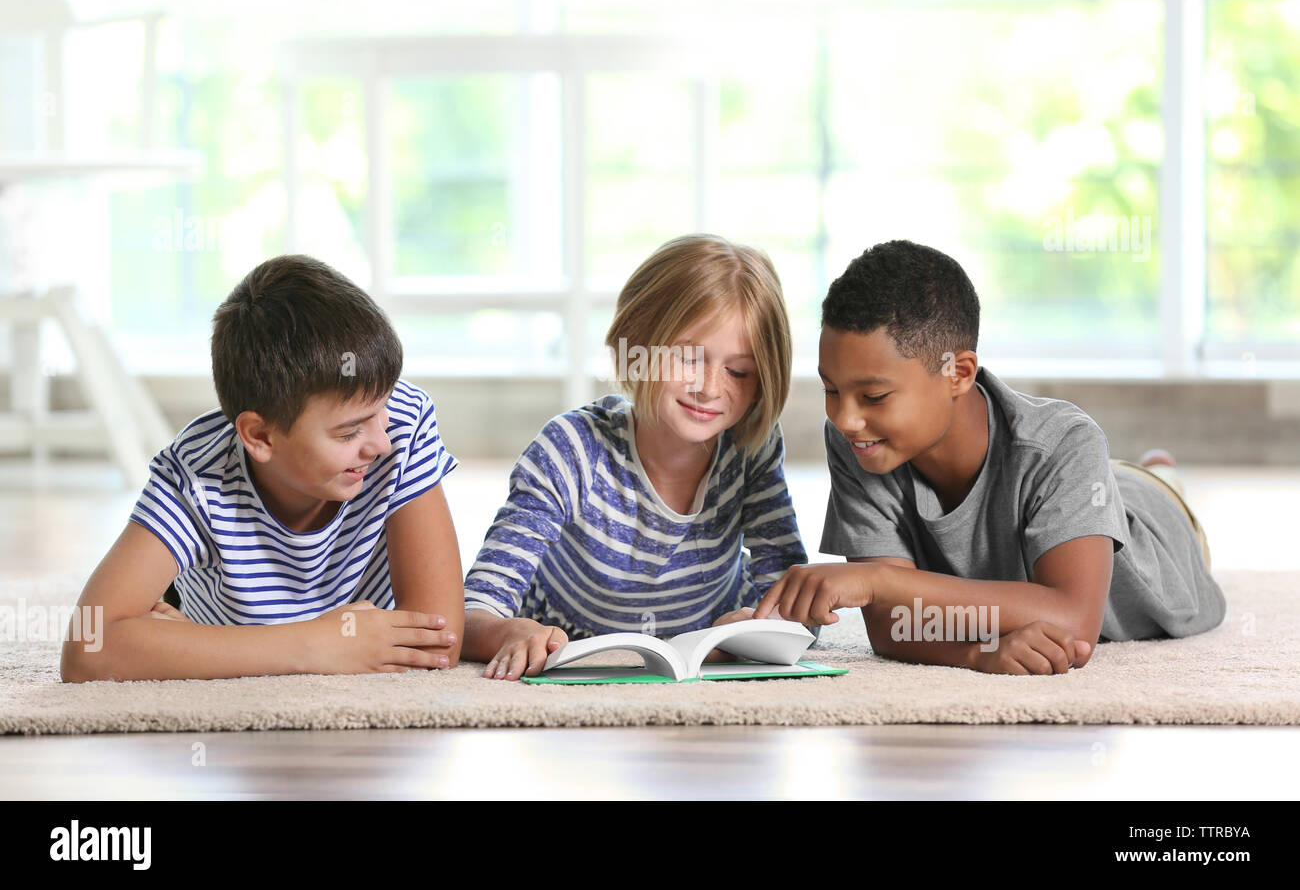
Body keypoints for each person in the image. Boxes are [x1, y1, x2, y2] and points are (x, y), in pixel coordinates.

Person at [755, 239, 1226, 675]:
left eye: (874, 396)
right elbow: (891, 627)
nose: (845, 418)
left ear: (958, 373)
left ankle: (1163, 472)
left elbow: (1076, 620)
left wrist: (880, 581)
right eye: (831, 389)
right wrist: (975, 653)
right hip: (1073, 486)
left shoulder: (1066, 441)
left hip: (1150, 515)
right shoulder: (861, 441)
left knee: (1147, 484)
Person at [61, 255, 462, 681]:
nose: (380, 443)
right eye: (348, 434)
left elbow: (439, 642)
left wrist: (193, 647)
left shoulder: (401, 425)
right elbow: (87, 646)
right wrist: (316, 644)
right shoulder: (197, 476)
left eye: (380, 411)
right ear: (260, 437)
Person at [462, 234, 809, 680]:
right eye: (688, 358)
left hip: (707, 636)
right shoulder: (571, 446)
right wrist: (510, 632)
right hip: (571, 639)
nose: (709, 388)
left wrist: (754, 631)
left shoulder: (751, 448)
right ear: (636, 347)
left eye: (739, 371)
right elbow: (474, 612)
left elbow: (796, 600)